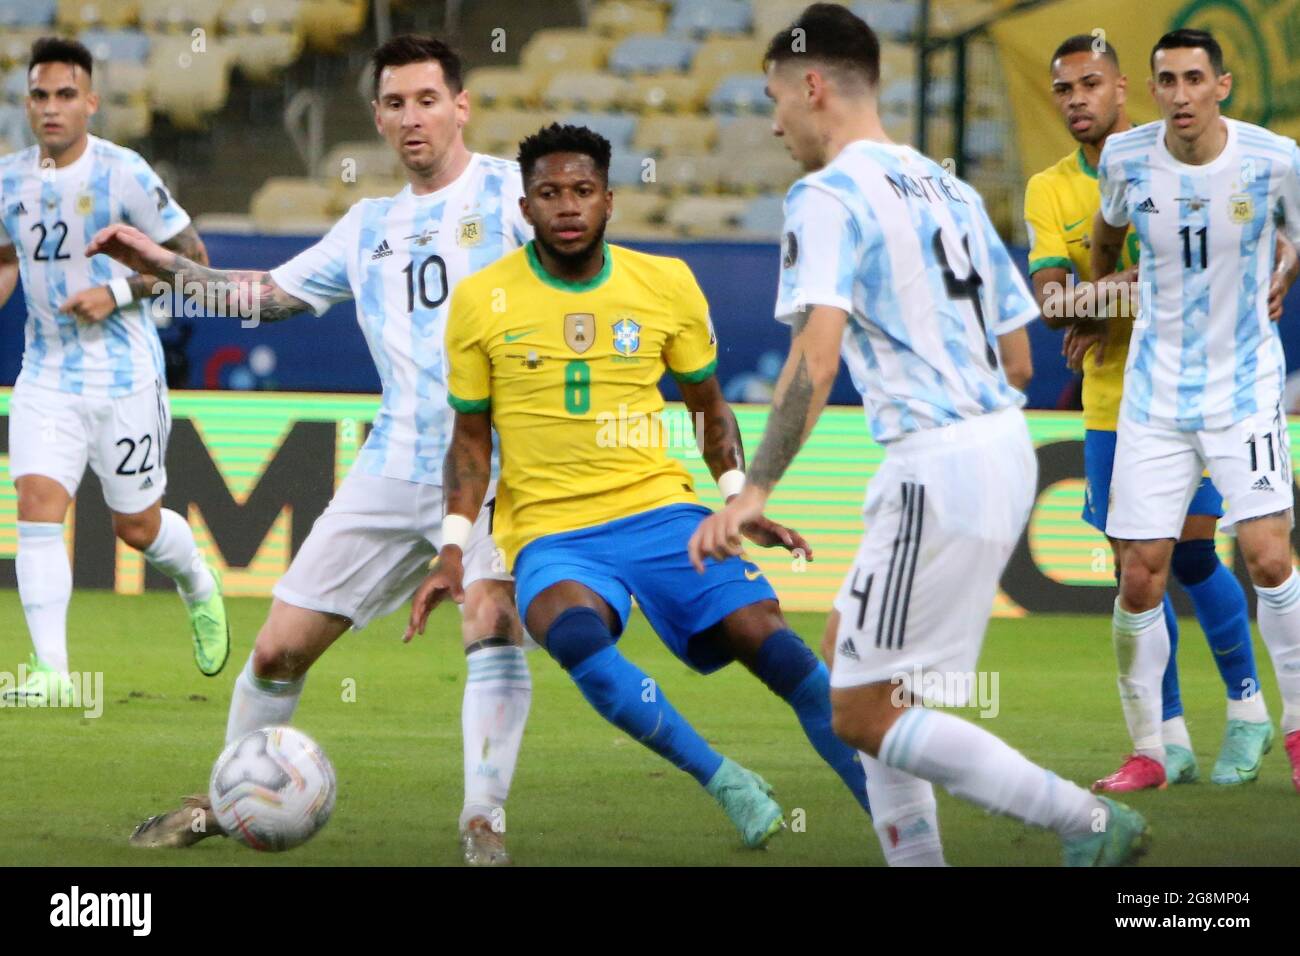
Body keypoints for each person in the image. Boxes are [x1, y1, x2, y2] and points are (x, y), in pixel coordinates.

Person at [690, 3, 1148, 865]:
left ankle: (1084, 822)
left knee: (860, 709)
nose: (776, 119)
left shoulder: (825, 195)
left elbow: (814, 362)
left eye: (774, 98)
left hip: (935, 465)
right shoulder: (950, 187)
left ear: (812, 86)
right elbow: (1016, 357)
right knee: (855, 665)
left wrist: (753, 492)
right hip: (999, 444)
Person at [95, 35, 535, 864]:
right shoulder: (367, 226)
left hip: (498, 471)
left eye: (428, 100)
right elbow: (262, 297)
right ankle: (226, 799)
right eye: (396, 104)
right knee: (277, 648)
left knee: (491, 620)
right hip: (392, 467)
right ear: (376, 117)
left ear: (462, 105)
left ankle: (484, 822)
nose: (412, 118)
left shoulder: (514, 197)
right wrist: (162, 267)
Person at [408, 121, 876, 851]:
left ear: (610, 201)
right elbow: (470, 441)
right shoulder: (479, 300)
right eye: (550, 193)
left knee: (778, 649)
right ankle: (724, 779)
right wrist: (452, 548)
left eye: (583, 191)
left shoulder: (665, 283)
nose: (568, 206)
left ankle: (903, 829)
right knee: (574, 639)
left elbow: (708, 406)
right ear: (525, 209)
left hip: (663, 514)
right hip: (550, 534)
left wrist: (736, 498)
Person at [1026, 34, 1299, 791]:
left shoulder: (1260, 158)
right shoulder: (1091, 174)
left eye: (1192, 79)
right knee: (1136, 573)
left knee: (1236, 557)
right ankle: (1160, 743)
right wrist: (1104, 293)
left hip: (1228, 389)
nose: (1179, 95)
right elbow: (1083, 270)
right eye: (1063, 89)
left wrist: (1280, 271)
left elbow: (1288, 233)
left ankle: (1270, 720)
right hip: (1133, 396)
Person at [0, 37, 228, 706]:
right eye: (39, 95)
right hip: (45, 373)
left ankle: (196, 581)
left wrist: (117, 293)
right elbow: (8, 257)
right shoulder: (10, 178)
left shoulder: (124, 174)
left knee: (138, 527)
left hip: (124, 374)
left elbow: (193, 258)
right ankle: (53, 675)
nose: (51, 108)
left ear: (91, 103)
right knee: (37, 509)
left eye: (65, 95)